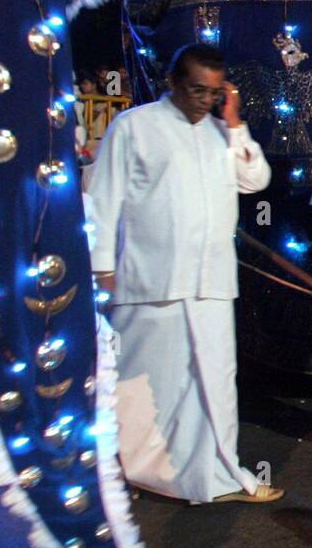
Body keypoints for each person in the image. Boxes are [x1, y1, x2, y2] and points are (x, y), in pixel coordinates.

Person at [88, 44, 281, 504]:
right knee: (146, 386)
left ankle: (214, 477)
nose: (205, 99)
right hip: (148, 282)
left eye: (215, 92)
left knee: (214, 382)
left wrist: (235, 125)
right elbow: (103, 197)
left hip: (211, 284)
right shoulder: (133, 127)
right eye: (197, 89)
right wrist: (103, 268)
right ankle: (136, 473)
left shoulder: (222, 133)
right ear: (173, 81)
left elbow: (256, 181)